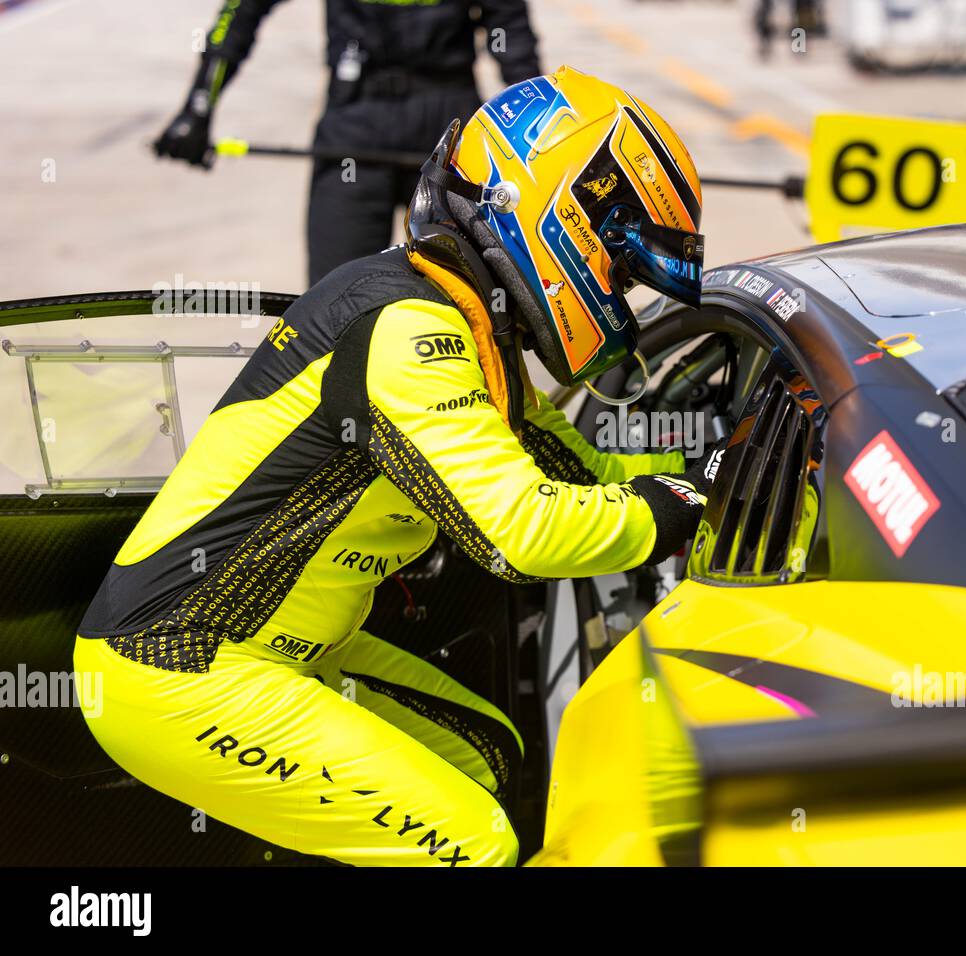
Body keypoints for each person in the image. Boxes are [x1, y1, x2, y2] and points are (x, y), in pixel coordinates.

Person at [76, 67, 715, 867]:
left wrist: (717, 465)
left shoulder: (462, 325)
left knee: (486, 757)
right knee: (470, 845)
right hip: (184, 662)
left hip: (285, 652)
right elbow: (525, 534)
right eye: (621, 271)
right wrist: (686, 503)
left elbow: (586, 473)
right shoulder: (409, 331)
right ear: (558, 221)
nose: (618, 295)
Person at [153, 0, 541, 284]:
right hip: (353, 132)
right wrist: (198, 107)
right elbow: (242, 11)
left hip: (447, 138)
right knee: (333, 302)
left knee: (475, 308)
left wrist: (535, 138)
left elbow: (512, 37)